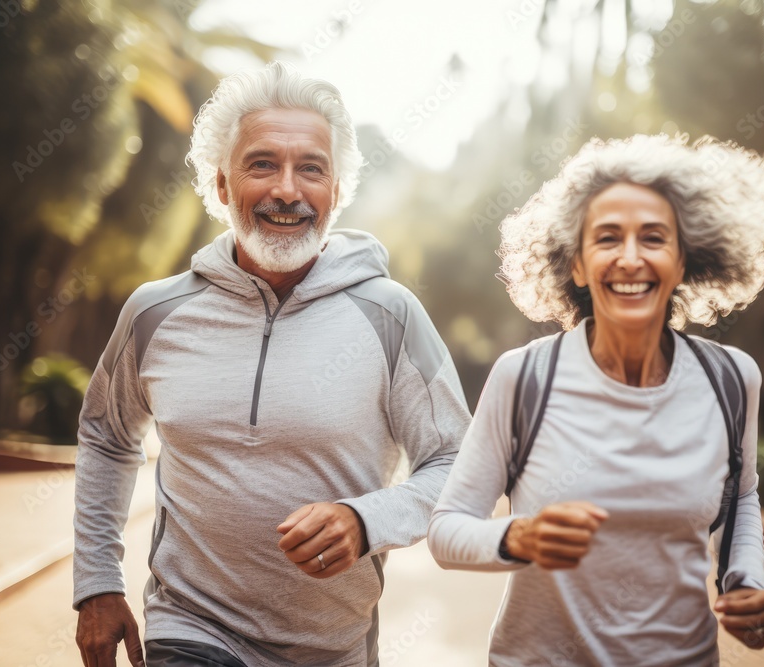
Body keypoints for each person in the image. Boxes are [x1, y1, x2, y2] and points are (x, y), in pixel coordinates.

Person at [72, 62, 470, 667]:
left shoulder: (390, 315)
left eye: (311, 168)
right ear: (223, 185)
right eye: (263, 164)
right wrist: (98, 581)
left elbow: (457, 463)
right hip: (190, 628)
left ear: (336, 191)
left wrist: (367, 519)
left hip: (332, 648)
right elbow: (106, 434)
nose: (288, 189)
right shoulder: (155, 313)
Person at [428, 134, 764, 665]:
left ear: (682, 261)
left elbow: (741, 497)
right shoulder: (526, 377)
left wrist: (744, 582)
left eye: (653, 238)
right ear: (577, 265)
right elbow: (446, 530)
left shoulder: (731, 379)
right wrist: (520, 537)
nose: (630, 258)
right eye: (607, 238)